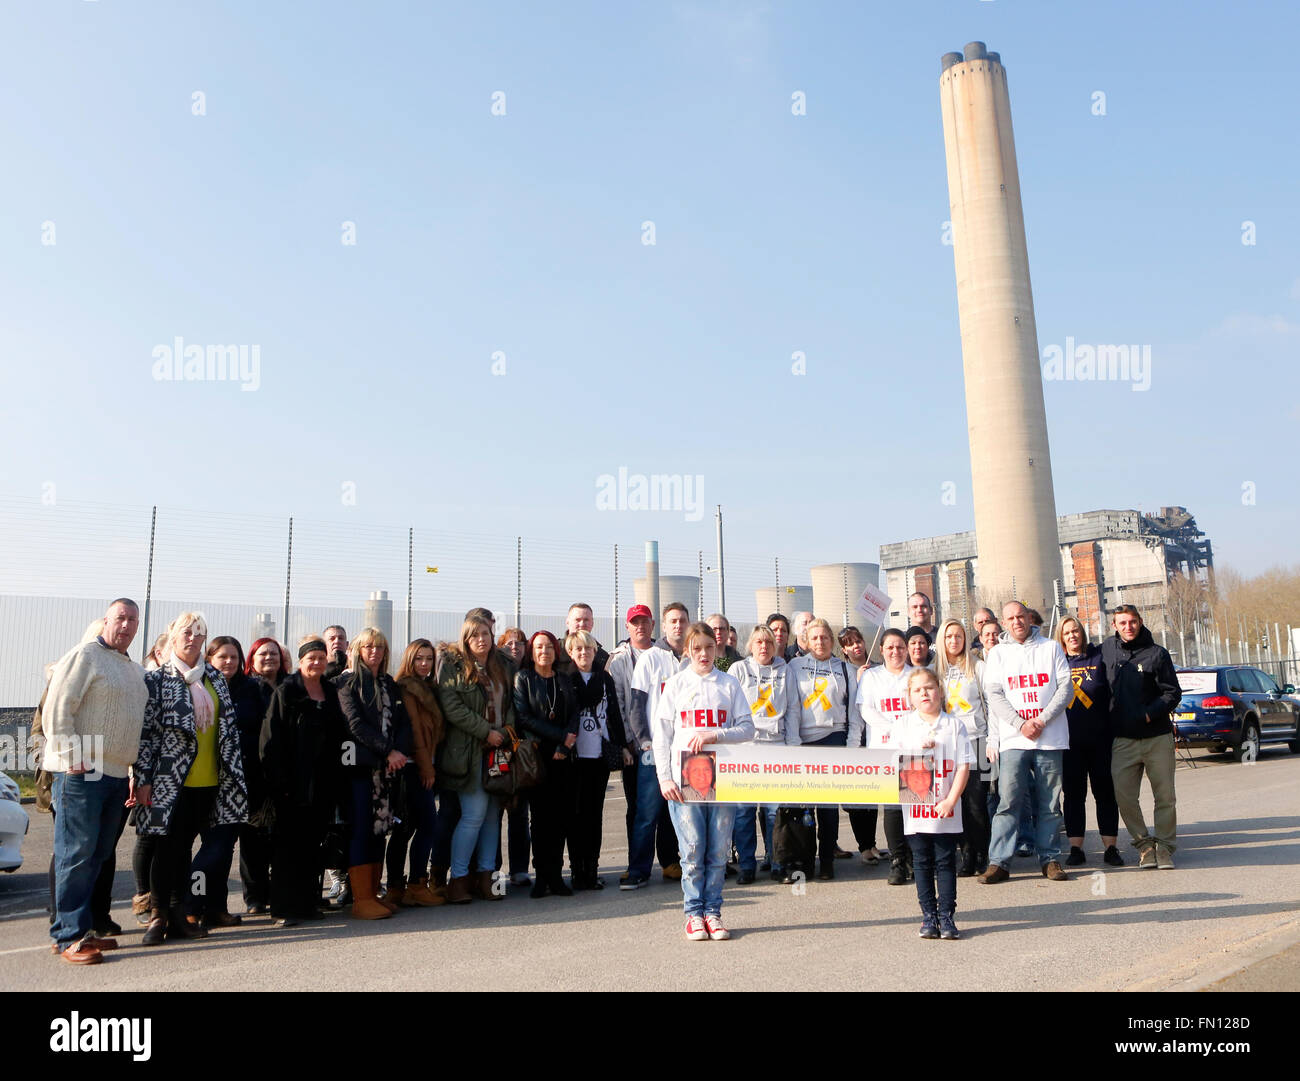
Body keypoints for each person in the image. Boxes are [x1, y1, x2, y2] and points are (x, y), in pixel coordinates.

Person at [42, 600, 148, 965]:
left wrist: (135, 773)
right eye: (121, 618)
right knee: (76, 854)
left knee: (97, 857)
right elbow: (59, 707)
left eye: (133, 620)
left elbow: (135, 727)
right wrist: (71, 755)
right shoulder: (84, 655)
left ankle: (81, 929)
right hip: (82, 773)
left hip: (117, 775)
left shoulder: (133, 670)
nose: (127, 625)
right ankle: (68, 935)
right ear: (107, 621)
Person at [136, 613, 249, 944]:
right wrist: (143, 778)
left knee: (187, 852)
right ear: (172, 637)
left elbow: (226, 730)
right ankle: (158, 916)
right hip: (169, 782)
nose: (192, 639)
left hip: (211, 780)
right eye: (186, 633)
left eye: (199, 634)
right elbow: (147, 736)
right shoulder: (157, 680)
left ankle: (181, 914)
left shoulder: (215, 678)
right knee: (165, 850)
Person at [653, 622, 754, 941]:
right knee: (693, 847)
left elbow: (748, 728)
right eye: (697, 648)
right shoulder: (677, 684)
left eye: (709, 647)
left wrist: (716, 734)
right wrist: (664, 777)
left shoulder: (729, 684)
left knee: (718, 848)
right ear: (687, 651)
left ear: (716, 648)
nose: (704, 654)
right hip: (685, 778)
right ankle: (693, 914)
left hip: (723, 777)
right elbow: (662, 735)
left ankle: (713, 912)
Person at [978, 601, 1072, 884]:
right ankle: (999, 863)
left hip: (1049, 738)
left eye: (1021, 616)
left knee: (1050, 803)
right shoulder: (997, 654)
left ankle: (1050, 858)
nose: (1017, 621)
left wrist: (1041, 721)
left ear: (1030, 618)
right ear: (1004, 623)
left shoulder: (1050, 648)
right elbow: (994, 695)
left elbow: (1065, 689)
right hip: (1013, 740)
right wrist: (1021, 724)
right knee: (1008, 802)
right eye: (1011, 618)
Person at [260, 637, 347, 925]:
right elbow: (270, 741)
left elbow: (339, 736)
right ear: (300, 662)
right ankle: (285, 909)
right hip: (291, 785)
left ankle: (309, 903)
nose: (317, 663)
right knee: (288, 849)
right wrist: (279, 783)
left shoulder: (330, 692)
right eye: (312, 658)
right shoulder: (286, 692)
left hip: (323, 784)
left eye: (322, 658)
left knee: (313, 846)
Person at [337, 628, 413, 919]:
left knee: (379, 830)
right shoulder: (346, 683)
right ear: (357, 650)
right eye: (368, 647)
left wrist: (400, 752)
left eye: (379, 647)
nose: (374, 652)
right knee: (361, 831)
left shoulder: (389, 683)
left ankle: (373, 893)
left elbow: (404, 722)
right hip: (360, 769)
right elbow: (354, 724)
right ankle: (361, 899)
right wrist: (387, 751)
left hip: (387, 771)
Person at [895, 667, 973, 940]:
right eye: (917, 690)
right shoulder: (903, 725)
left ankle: (947, 917)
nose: (924, 693)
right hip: (916, 808)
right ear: (910, 697)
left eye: (929, 687)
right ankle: (928, 916)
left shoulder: (954, 725)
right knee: (921, 862)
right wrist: (919, 749)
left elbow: (964, 766)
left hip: (946, 807)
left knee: (945, 861)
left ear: (939, 690)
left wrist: (951, 799)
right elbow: (896, 763)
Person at [437, 615, 511, 903]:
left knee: (493, 816)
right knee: (474, 815)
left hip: (499, 752)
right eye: (475, 635)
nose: (482, 639)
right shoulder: (453, 666)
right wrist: (486, 731)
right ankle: (458, 880)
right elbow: (452, 707)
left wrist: (506, 731)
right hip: (470, 753)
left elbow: (510, 703)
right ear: (466, 639)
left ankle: (488, 879)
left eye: (486, 633)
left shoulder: (500, 665)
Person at [1101, 605, 1181, 869]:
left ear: (1140, 622)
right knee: (1124, 797)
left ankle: (1165, 848)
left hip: (1156, 737)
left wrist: (1149, 715)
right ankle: (1144, 846)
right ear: (1114, 625)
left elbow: (1172, 693)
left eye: (1132, 622)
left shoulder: (1157, 653)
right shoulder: (1107, 651)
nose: (1128, 627)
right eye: (1122, 623)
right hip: (1122, 740)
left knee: (1165, 796)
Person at [622, 602, 691, 889]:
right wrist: (645, 743)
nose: (678, 625)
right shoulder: (651, 658)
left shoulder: (694, 659)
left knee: (684, 813)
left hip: (687, 752)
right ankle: (638, 869)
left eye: (682, 621)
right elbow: (636, 706)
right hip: (656, 752)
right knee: (647, 813)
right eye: (672, 621)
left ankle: (682, 865)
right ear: (663, 625)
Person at [200, 636, 266, 926]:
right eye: (222, 657)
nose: (228, 662)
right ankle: (194, 903)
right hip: (204, 779)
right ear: (209, 659)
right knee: (210, 848)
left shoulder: (252, 689)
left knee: (226, 847)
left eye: (234, 657)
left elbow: (262, 730)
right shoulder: (200, 687)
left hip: (242, 780)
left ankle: (217, 908)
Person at [727, 624, 799, 881]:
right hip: (745, 748)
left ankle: (777, 861)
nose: (764, 647)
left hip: (776, 746)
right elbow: (730, 708)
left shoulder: (785, 670)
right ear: (750, 645)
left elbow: (792, 709)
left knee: (774, 811)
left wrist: (793, 746)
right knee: (744, 811)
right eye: (758, 642)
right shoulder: (739, 670)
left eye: (768, 642)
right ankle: (747, 864)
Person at [787, 618, 857, 880]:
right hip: (805, 741)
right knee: (804, 808)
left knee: (828, 810)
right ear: (806, 640)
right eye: (814, 637)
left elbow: (853, 712)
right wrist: (794, 741)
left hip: (834, 738)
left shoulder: (844, 668)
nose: (819, 642)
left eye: (824, 637)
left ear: (831, 639)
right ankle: (805, 862)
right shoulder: (795, 666)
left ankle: (827, 860)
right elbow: (792, 708)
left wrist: (850, 745)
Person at [514, 630, 579, 898]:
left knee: (561, 819)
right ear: (532, 651)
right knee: (540, 821)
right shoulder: (523, 678)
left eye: (549, 647)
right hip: (538, 757)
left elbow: (575, 713)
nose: (544, 652)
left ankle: (557, 875)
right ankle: (541, 876)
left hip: (563, 758)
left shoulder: (564, 679)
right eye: (539, 647)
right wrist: (558, 737)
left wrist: (565, 745)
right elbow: (524, 718)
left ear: (556, 651)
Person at [1055, 617, 1122, 867]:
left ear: (1082, 633)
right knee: (1073, 795)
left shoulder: (1098, 658)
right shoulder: (1058, 662)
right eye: (1067, 633)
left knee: (1105, 793)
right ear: (1061, 638)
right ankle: (1076, 848)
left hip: (1100, 740)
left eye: (1075, 631)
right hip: (1069, 742)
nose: (1072, 636)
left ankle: (1111, 847)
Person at [566, 629, 629, 889]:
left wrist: (623, 745)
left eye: (588, 648)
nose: (584, 653)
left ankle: (592, 870)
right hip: (574, 757)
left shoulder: (605, 679)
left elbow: (614, 713)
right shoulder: (566, 680)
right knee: (575, 815)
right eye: (578, 649)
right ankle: (577, 871)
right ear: (570, 653)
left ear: (595, 651)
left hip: (599, 756)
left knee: (594, 816)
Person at [851, 629, 914, 884]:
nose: (895, 652)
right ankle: (898, 861)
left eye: (900, 647)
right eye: (890, 647)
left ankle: (914, 859)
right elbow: (866, 710)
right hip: (884, 749)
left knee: (914, 807)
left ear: (907, 649)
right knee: (893, 809)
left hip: (913, 750)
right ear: (882, 650)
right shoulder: (871, 677)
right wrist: (893, 728)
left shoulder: (916, 675)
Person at [388, 639, 445, 906]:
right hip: (412, 768)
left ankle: (401, 887)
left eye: (429, 659)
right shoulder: (408, 688)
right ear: (409, 660)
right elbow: (415, 734)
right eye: (419, 658)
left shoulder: (428, 687)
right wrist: (427, 768)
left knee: (409, 828)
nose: (424, 664)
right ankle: (412, 885)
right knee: (422, 826)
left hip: (424, 765)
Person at [933, 619, 990, 876]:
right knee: (955, 802)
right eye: (948, 637)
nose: (954, 641)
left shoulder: (977, 667)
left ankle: (983, 853)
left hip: (977, 740)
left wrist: (993, 740)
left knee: (977, 802)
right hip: (947, 744)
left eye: (958, 636)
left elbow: (991, 702)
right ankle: (965, 854)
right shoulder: (935, 670)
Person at [606, 605, 657, 882]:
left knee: (664, 807)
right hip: (633, 747)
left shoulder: (664, 656)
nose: (640, 627)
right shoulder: (618, 659)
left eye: (644, 622)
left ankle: (671, 861)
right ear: (627, 627)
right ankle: (637, 866)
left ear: (652, 624)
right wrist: (629, 742)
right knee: (638, 808)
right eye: (634, 622)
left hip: (661, 745)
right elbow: (617, 705)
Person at [837, 625, 881, 864]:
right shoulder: (843, 671)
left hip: (873, 737)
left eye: (858, 641)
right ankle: (863, 845)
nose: (856, 646)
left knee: (872, 795)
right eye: (849, 643)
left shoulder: (877, 668)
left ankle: (873, 843)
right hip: (852, 736)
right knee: (855, 796)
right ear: (844, 649)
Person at [555, 603, 609, 676]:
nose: (582, 624)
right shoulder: (555, 650)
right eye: (577, 620)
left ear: (592, 623)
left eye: (586, 620)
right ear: (567, 622)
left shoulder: (602, 656)